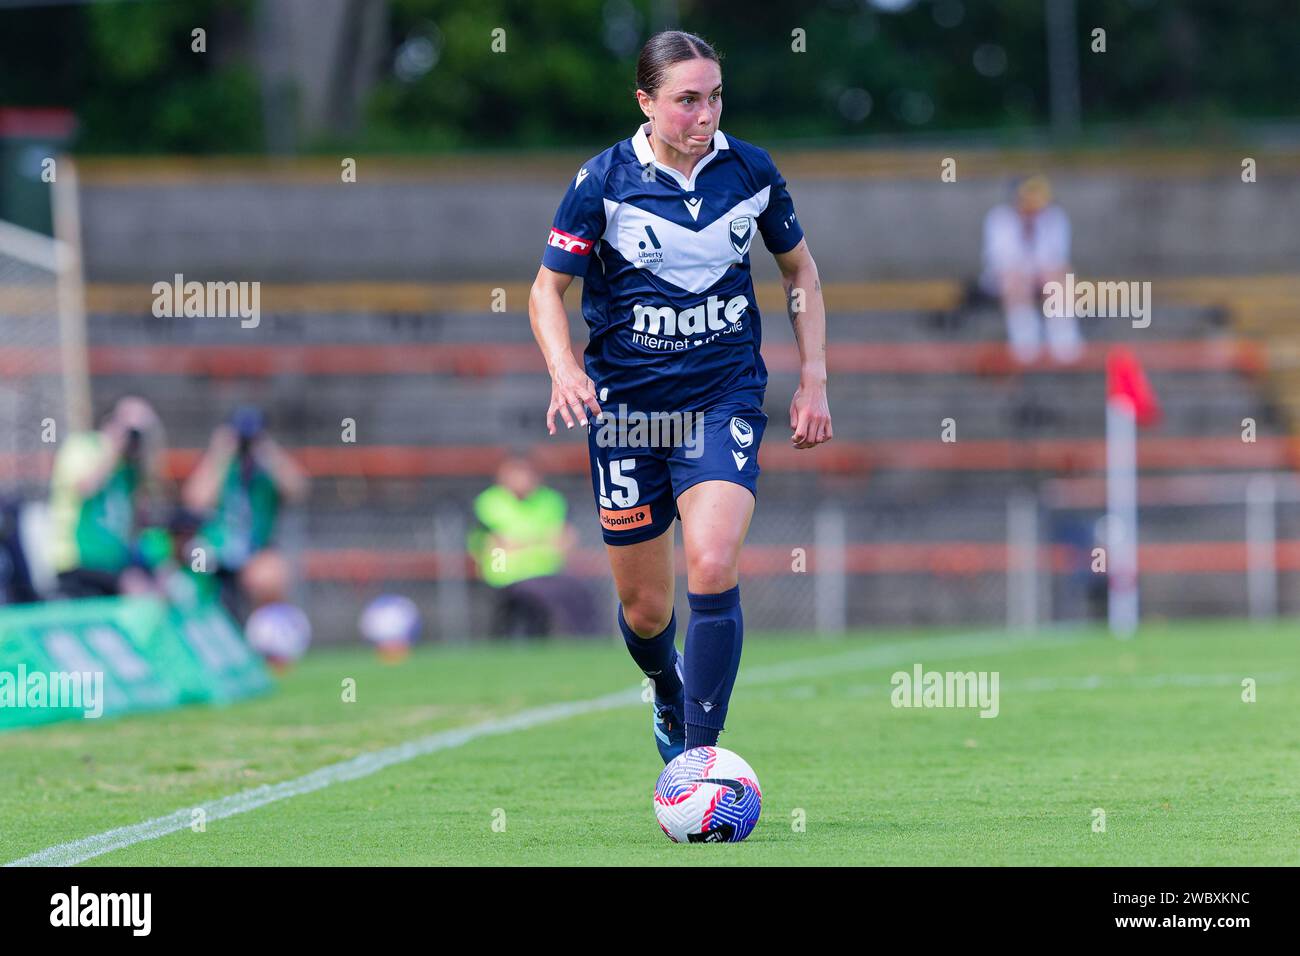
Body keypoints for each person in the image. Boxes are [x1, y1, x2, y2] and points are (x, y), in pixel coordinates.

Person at [527, 31, 831, 763]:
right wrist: (564, 369)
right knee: (645, 610)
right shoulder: (602, 181)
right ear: (647, 102)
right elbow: (546, 289)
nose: (706, 114)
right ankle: (665, 684)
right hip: (628, 416)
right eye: (687, 100)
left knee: (715, 561)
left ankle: (699, 756)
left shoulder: (750, 171)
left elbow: (801, 275)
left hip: (722, 398)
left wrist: (813, 375)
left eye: (715, 96)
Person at [182, 407, 308, 622]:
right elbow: (196, 501)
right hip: (213, 547)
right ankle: (199, 626)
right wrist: (220, 454)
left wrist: (268, 453)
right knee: (196, 561)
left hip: (253, 550)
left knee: (271, 576)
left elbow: (298, 489)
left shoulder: (266, 467)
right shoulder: (219, 463)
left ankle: (265, 635)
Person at [47, 395, 165, 598]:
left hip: (113, 562)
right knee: (138, 591)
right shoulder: (82, 447)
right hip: (77, 558)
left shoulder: (130, 467)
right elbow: (85, 488)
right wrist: (115, 449)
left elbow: (141, 517)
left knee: (160, 589)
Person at [467, 455, 597, 638]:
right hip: (504, 576)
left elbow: (565, 539)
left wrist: (519, 543)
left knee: (578, 595)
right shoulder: (489, 502)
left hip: (547, 574)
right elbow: (488, 544)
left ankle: (586, 640)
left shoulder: (551, 500)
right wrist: (540, 541)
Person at [980, 174, 1081, 364]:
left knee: (1061, 276)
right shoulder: (999, 219)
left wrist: (1039, 272)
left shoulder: (1054, 218)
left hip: (1042, 277)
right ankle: (1025, 342)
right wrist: (1031, 271)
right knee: (1014, 277)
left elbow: (1056, 258)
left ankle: (1063, 340)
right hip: (1005, 280)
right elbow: (1002, 261)